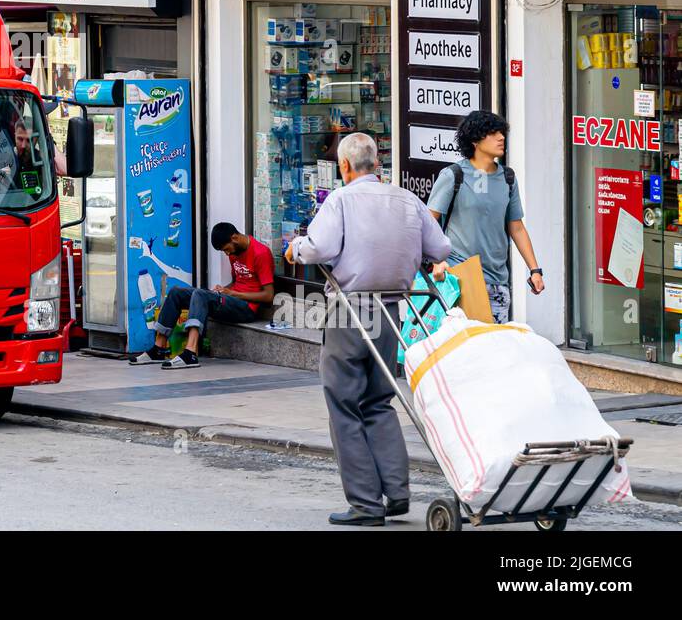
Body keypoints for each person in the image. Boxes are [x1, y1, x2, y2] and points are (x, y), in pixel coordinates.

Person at [285, 133, 450, 526]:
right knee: (378, 401)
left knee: (344, 405)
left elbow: (319, 248)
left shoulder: (341, 200)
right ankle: (396, 493)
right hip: (392, 309)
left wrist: (295, 248)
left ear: (344, 167)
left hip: (350, 310)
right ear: (376, 164)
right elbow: (440, 249)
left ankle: (365, 504)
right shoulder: (407, 199)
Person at [426, 110, 544, 324]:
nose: (501, 138)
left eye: (502, 132)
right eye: (493, 133)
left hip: (497, 281)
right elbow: (427, 223)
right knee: (465, 350)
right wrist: (437, 260)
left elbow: (516, 228)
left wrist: (535, 270)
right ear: (475, 140)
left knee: (495, 349)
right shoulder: (453, 176)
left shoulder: (508, 178)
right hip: (460, 278)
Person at [130, 222, 275, 369]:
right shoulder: (234, 253)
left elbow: (268, 296)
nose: (227, 254)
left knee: (200, 294)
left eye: (226, 249)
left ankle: (190, 353)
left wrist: (234, 294)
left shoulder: (260, 253)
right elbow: (236, 282)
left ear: (234, 238)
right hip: (233, 300)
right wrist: (222, 291)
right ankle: (158, 349)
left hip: (247, 309)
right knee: (176, 293)